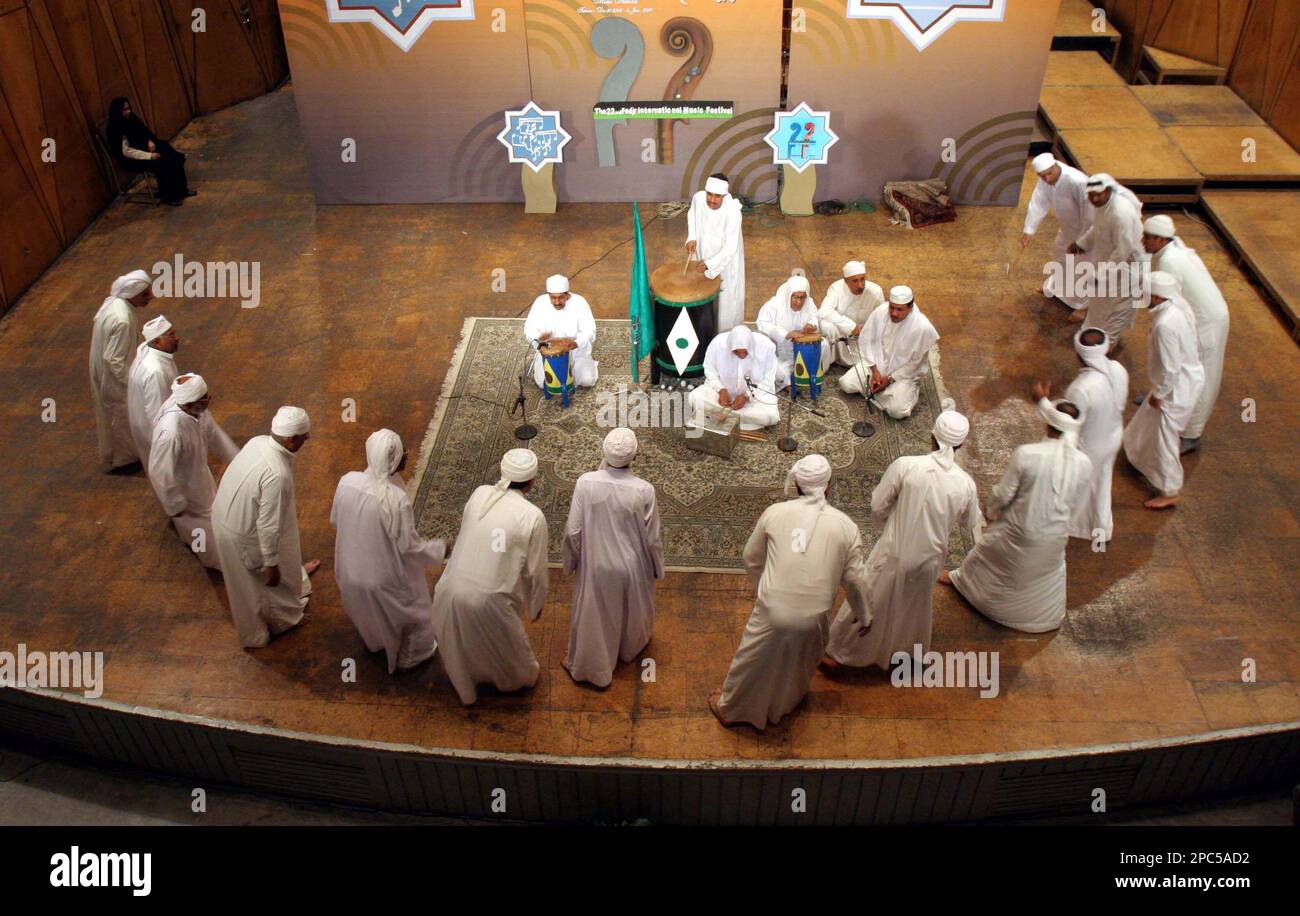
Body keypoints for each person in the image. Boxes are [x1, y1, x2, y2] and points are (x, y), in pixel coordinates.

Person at [710, 455, 870, 730]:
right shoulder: (847, 527)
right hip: (815, 616)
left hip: (772, 610)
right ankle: (783, 706)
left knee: (751, 662)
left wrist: (763, 588)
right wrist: (863, 613)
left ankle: (730, 709)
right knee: (799, 662)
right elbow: (855, 578)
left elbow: (751, 557)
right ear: (828, 486)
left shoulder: (775, 513)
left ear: (795, 483)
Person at [823, 406, 980, 670]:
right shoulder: (966, 484)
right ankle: (907, 654)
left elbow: (877, 505)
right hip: (930, 558)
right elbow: (969, 521)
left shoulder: (907, 466)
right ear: (962, 443)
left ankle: (839, 653)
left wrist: (889, 524)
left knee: (869, 599)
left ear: (932, 436)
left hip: (894, 550)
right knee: (914, 608)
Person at [942, 394, 1092, 633]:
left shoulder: (1028, 454)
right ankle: (1039, 618)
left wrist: (991, 511)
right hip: (1055, 536)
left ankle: (963, 583)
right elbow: (1078, 503)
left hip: (1021, 529)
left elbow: (1005, 493)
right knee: (1045, 568)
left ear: (1048, 424)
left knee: (989, 550)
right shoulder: (1084, 463)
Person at [430, 449, 549, 705]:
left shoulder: (480, 493)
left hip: (447, 591)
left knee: (463, 652)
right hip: (489, 599)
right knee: (521, 672)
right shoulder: (532, 517)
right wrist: (536, 604)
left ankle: (469, 689)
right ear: (531, 481)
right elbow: (535, 570)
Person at [331, 430, 447, 673]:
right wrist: (440, 549)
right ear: (393, 460)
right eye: (403, 451)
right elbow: (410, 548)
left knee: (370, 613)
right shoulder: (395, 500)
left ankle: (377, 643)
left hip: (348, 572)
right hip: (383, 580)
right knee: (416, 613)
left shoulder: (347, 481)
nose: (407, 454)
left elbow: (336, 521)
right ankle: (411, 658)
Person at [211, 406, 321, 647]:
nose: (308, 439)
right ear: (292, 440)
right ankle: (285, 622)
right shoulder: (277, 474)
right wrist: (271, 564)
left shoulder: (258, 442)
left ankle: (294, 582)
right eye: (305, 436)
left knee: (252, 579)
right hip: (244, 534)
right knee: (264, 584)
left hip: (224, 517)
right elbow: (268, 526)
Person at [562, 428, 663, 688]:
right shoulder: (644, 490)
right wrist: (656, 568)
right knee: (630, 611)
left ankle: (591, 668)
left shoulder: (585, 482)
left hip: (596, 564)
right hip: (632, 565)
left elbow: (573, 530)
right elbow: (652, 538)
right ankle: (628, 651)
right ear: (634, 456)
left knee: (596, 618)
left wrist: (572, 562)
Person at [1142, 215, 1228, 453]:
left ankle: (1192, 432)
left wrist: (1167, 328)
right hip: (1193, 315)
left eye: (1147, 237)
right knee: (1169, 359)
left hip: (1205, 322)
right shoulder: (1169, 250)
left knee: (1196, 373)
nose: (1143, 241)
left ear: (1161, 239)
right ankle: (1160, 393)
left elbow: (1172, 298)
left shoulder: (1170, 262)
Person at [1123, 271, 1204, 509]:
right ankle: (1136, 455)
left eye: (1146, 293)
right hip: (1185, 379)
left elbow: (1171, 368)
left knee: (1165, 439)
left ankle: (1170, 490)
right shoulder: (1179, 307)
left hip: (1176, 389)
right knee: (1147, 421)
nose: (1142, 295)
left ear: (1158, 298)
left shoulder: (1165, 325)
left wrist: (1160, 395)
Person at [148, 374, 238, 570]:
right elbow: (160, 473)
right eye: (205, 399)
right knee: (201, 534)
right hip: (185, 494)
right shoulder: (170, 432)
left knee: (214, 519)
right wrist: (176, 506)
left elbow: (214, 434)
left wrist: (237, 461)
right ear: (190, 404)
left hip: (199, 480)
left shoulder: (197, 409)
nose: (210, 401)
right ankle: (208, 558)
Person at [1064, 327, 1127, 543]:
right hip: (1113, 436)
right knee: (1101, 482)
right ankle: (1101, 527)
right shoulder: (1118, 370)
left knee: (1078, 488)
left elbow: (1070, 425)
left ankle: (1074, 526)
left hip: (1090, 445)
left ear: (1077, 354)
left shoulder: (1080, 388)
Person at [838, 285, 939, 420]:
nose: (893, 313)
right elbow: (867, 340)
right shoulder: (881, 312)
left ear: (910, 308)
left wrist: (890, 379)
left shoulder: (922, 327)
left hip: (901, 374)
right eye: (892, 307)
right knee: (846, 384)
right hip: (877, 365)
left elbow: (916, 364)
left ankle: (910, 391)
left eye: (899, 309)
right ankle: (881, 393)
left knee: (898, 411)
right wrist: (875, 371)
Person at [1069, 173, 1144, 344]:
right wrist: (1082, 243)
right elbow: (1098, 227)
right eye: (1091, 194)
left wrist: (1101, 275)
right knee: (1100, 301)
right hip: (1108, 262)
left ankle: (1106, 346)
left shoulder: (1120, 213)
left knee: (1117, 308)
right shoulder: (1102, 205)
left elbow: (1123, 250)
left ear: (1108, 190)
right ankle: (1090, 334)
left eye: (1098, 194)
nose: (1094, 198)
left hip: (1127, 268)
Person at [89, 269, 151, 472]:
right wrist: (133, 380)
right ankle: (124, 460)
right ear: (132, 294)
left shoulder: (115, 305)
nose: (150, 297)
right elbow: (114, 359)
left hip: (105, 371)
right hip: (115, 377)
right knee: (123, 415)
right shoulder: (123, 319)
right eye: (145, 294)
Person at [1022, 153, 1093, 311]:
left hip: (1086, 232)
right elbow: (1039, 202)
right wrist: (1029, 230)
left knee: (1082, 266)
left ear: (1056, 166)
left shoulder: (1078, 181)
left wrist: (1082, 241)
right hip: (1067, 229)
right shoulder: (1045, 180)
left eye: (1049, 173)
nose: (1047, 179)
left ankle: (1081, 305)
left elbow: (1090, 214)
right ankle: (1055, 288)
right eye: (1042, 176)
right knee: (1060, 256)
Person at [687, 325, 781, 430]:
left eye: (745, 352)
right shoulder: (717, 344)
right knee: (694, 398)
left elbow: (768, 380)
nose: (741, 356)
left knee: (771, 416)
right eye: (736, 352)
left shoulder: (766, 347)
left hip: (755, 397)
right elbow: (710, 370)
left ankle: (723, 416)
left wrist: (747, 396)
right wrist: (721, 390)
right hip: (721, 395)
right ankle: (738, 417)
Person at [105, 97, 193, 206]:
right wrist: (149, 155)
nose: (128, 111)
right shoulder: (114, 129)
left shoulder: (131, 118)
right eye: (124, 110)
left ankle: (181, 190)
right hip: (132, 159)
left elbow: (143, 130)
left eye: (128, 108)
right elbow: (127, 151)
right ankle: (169, 196)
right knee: (161, 162)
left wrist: (149, 140)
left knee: (173, 156)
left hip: (144, 147)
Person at [686, 173, 746, 331]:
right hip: (703, 254)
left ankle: (724, 334)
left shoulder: (733, 211)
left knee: (725, 301)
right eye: (710, 194)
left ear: (725, 196)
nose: (712, 200)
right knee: (702, 291)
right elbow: (691, 215)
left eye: (717, 196)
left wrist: (710, 264)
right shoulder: (698, 199)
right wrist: (691, 238)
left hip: (725, 262)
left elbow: (730, 248)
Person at [524, 275, 598, 389]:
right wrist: (538, 337)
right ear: (548, 295)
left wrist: (576, 343)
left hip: (575, 351)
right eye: (553, 298)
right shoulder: (540, 303)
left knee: (587, 380)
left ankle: (590, 364)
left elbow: (589, 330)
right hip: (549, 351)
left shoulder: (580, 302)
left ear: (567, 294)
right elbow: (529, 328)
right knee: (543, 383)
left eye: (561, 297)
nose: (557, 302)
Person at [756, 274, 829, 384]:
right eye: (795, 297)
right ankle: (791, 377)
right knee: (778, 373)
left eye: (802, 297)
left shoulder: (809, 303)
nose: (799, 302)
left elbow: (815, 317)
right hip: (781, 354)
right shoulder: (774, 305)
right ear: (788, 295)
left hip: (804, 349)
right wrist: (785, 334)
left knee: (824, 345)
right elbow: (762, 323)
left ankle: (810, 372)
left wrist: (811, 325)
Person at [127, 315, 179, 464]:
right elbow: (156, 413)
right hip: (155, 435)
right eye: (171, 335)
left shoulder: (148, 350)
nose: (177, 338)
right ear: (157, 341)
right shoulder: (155, 372)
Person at [818, 260, 885, 369]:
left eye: (862, 279)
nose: (860, 285)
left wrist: (865, 329)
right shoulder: (836, 288)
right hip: (842, 332)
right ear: (845, 281)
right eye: (855, 281)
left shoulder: (875, 291)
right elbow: (824, 311)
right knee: (827, 326)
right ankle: (831, 360)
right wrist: (850, 326)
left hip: (863, 336)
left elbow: (882, 318)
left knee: (869, 361)